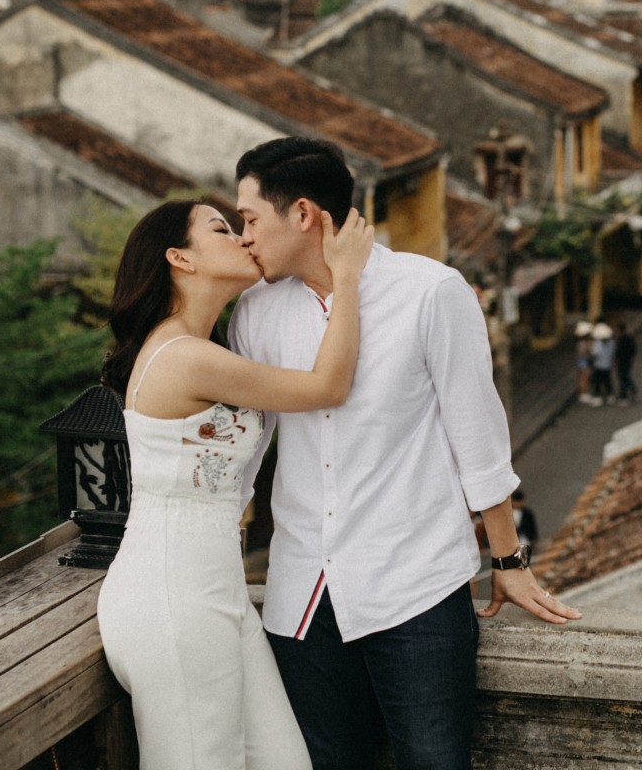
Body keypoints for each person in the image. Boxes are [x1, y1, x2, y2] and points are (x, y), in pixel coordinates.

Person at [229, 137, 580, 770]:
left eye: (251, 219)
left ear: (304, 214)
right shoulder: (254, 312)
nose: (243, 236)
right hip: (301, 595)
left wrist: (509, 559)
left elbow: (477, 435)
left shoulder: (431, 292)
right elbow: (246, 454)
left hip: (415, 587)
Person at [96, 197, 374, 770]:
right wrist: (346, 276)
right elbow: (327, 386)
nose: (244, 239)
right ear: (180, 258)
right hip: (172, 596)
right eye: (222, 229)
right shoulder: (182, 357)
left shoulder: (208, 349)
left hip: (217, 590)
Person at [589, 322, 616, 403]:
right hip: (607, 365)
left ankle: (598, 397)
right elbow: (612, 353)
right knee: (607, 381)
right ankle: (610, 396)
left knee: (598, 382)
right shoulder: (611, 342)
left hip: (599, 365)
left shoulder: (598, 343)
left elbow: (595, 353)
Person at [613, 321, 639, 404]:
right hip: (627, 360)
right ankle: (623, 393)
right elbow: (634, 350)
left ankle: (632, 391)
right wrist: (632, 360)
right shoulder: (629, 337)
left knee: (624, 377)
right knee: (624, 377)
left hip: (622, 361)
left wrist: (615, 361)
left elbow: (618, 352)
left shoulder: (621, 339)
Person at [574, 320, 596, 405]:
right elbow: (589, 352)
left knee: (581, 378)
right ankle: (584, 394)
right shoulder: (585, 343)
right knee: (584, 379)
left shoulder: (579, 342)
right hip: (584, 362)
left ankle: (581, 394)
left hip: (580, 361)